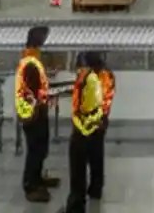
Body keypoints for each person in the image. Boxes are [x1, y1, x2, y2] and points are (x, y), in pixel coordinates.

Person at [16, 26, 58, 202]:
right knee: (36, 149)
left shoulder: (33, 58)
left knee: (41, 147)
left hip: (38, 110)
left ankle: (38, 178)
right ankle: (30, 186)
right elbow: (32, 90)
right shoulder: (31, 63)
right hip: (33, 114)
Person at [60, 51, 106, 213]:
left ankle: (75, 206)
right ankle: (95, 188)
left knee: (78, 167)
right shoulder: (103, 77)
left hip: (84, 129)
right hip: (96, 125)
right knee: (95, 157)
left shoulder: (88, 79)